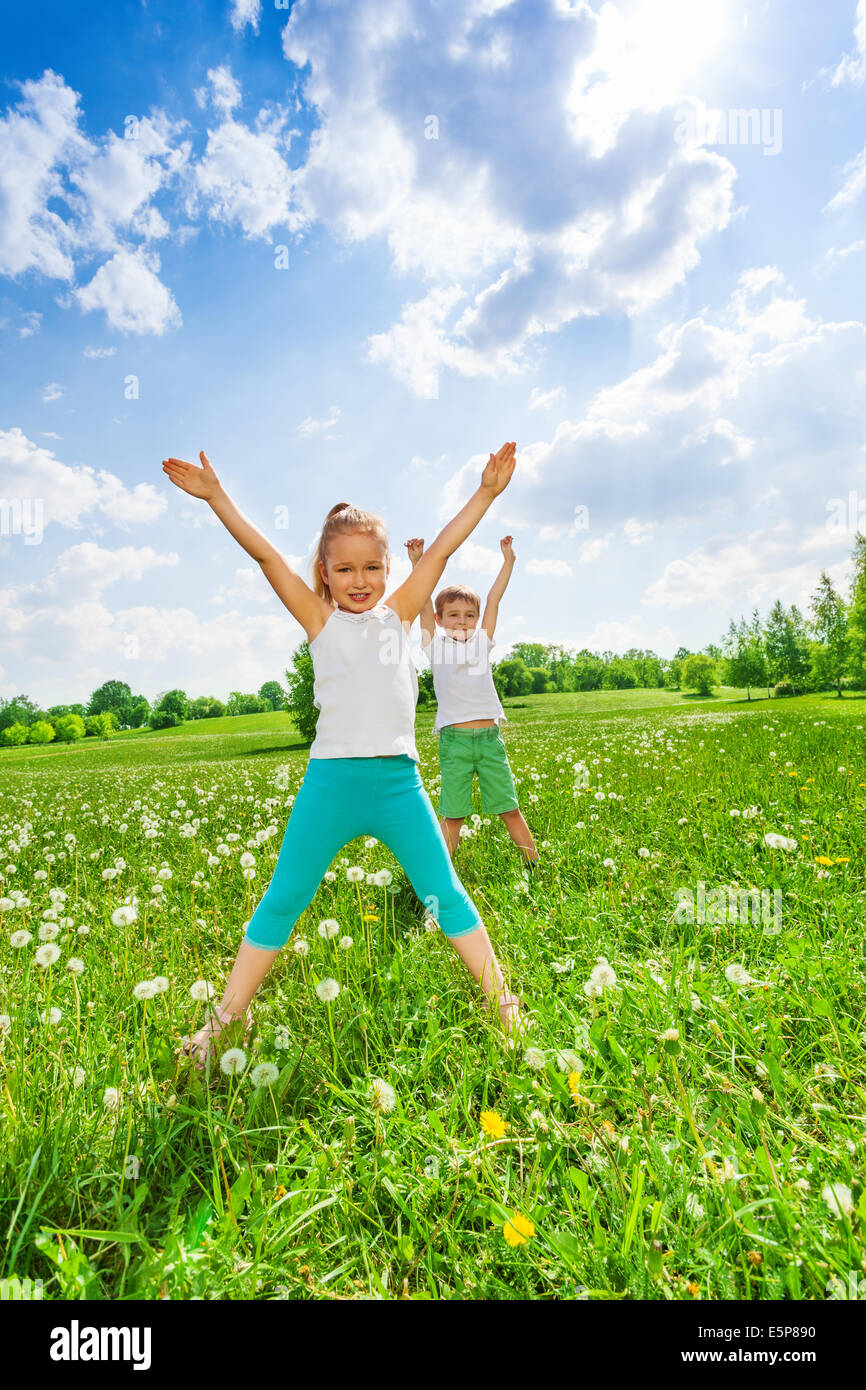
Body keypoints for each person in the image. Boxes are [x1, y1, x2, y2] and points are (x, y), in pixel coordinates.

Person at [159, 443, 525, 1067]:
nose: (360, 582)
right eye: (346, 570)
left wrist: (486, 494)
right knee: (284, 897)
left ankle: (505, 1006)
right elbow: (266, 554)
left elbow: (438, 550)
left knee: (443, 892)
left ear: (387, 571)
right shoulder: (318, 621)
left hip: (397, 786)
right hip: (328, 786)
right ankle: (222, 1022)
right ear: (325, 574)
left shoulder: (401, 616)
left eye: (372, 569)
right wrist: (217, 497)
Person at [405, 535, 538, 867]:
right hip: (455, 743)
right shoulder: (433, 645)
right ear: (439, 619)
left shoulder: (482, 642)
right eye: (453, 615)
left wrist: (508, 560)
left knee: (510, 808)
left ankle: (536, 866)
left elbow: (494, 599)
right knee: (453, 815)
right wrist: (418, 563)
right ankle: (442, 877)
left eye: (468, 615)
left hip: (490, 741)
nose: (462, 621)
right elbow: (422, 602)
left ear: (477, 620)